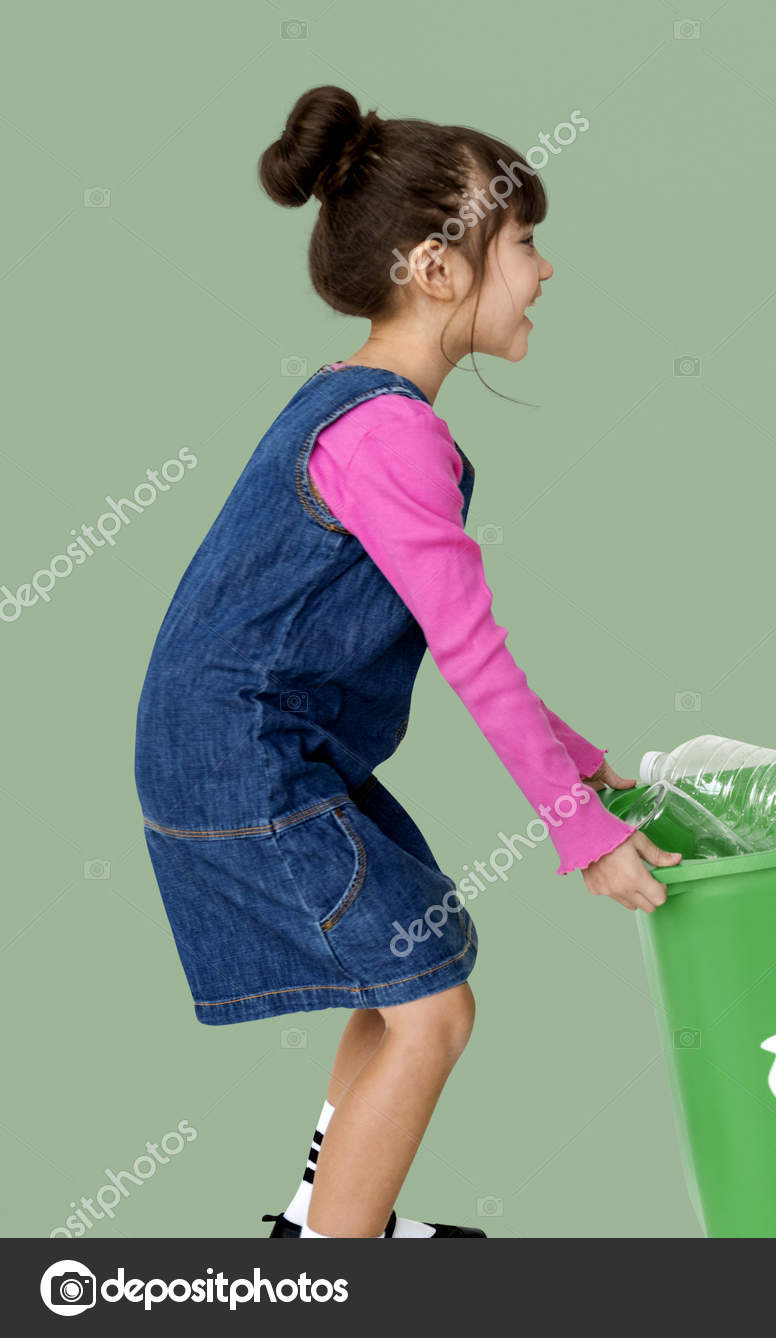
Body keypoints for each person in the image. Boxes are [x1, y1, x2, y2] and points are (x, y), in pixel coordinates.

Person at [133, 85, 680, 1239]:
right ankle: (336, 1265)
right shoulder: (390, 435)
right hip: (248, 759)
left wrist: (585, 769)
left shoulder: (357, 406)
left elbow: (465, 652)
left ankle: (326, 1214)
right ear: (437, 268)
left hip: (266, 748)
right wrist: (577, 829)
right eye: (523, 243)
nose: (541, 270)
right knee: (434, 1012)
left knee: (403, 977)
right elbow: (472, 654)